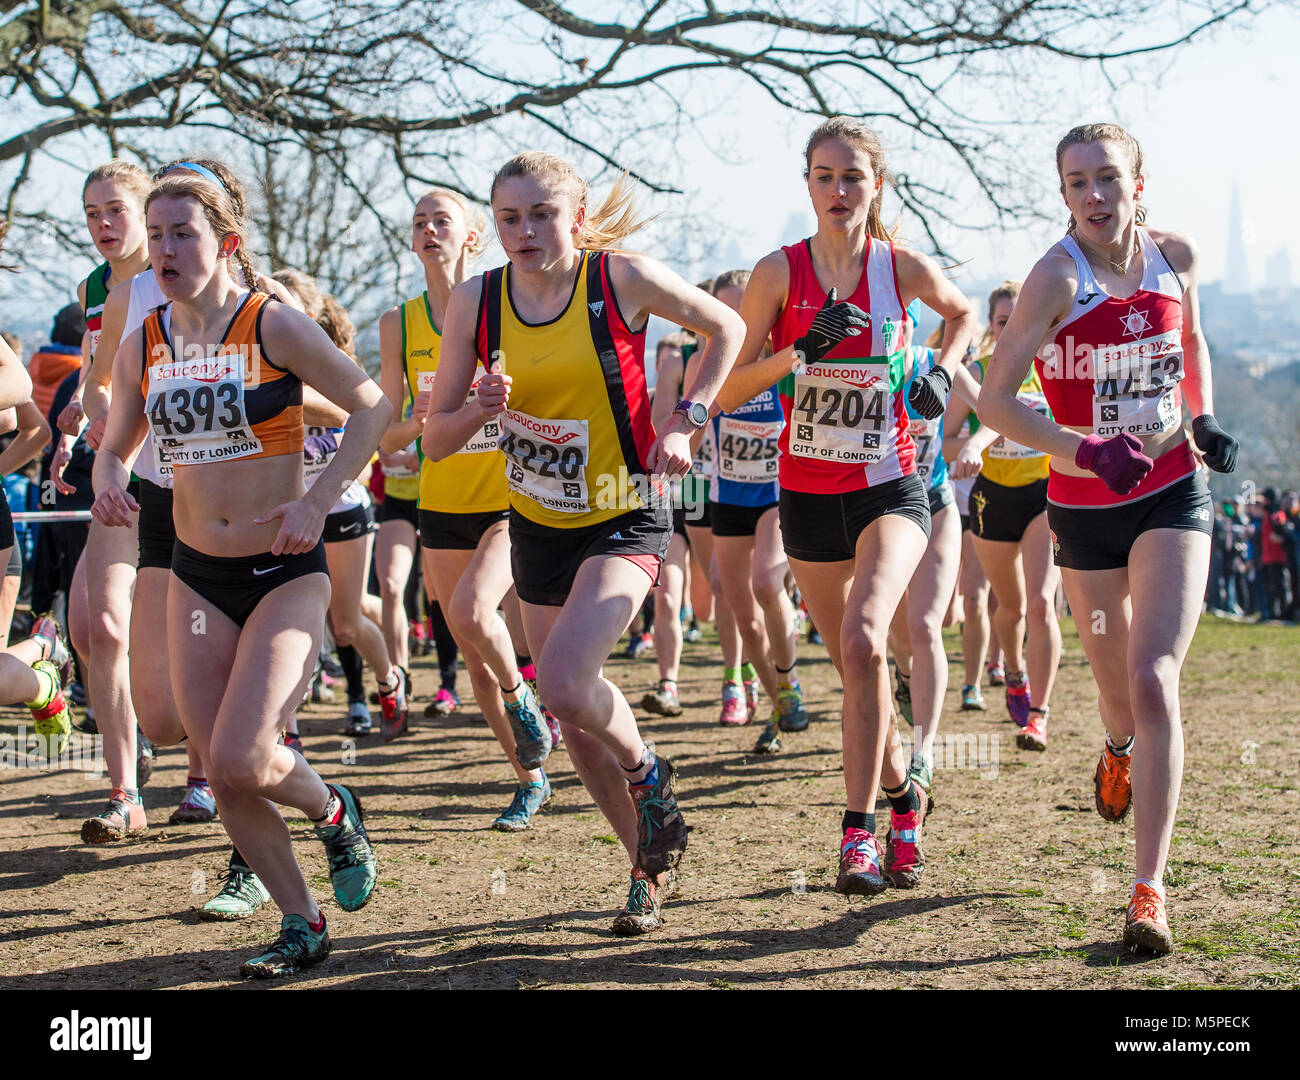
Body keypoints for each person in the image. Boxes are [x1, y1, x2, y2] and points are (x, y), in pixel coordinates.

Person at [424, 151, 743, 933]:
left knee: (565, 685)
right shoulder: (477, 300)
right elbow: (435, 439)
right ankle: (647, 865)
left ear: (576, 217)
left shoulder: (620, 280)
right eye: (508, 217)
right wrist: (479, 407)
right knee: (578, 733)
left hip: (623, 510)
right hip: (538, 522)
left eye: (540, 214)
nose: (524, 231)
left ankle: (651, 775)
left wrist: (688, 418)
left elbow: (725, 326)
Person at [92, 167, 389, 977]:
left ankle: (335, 809)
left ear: (225, 243)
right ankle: (304, 922)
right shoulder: (146, 341)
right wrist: (108, 478)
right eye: (155, 236)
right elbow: (113, 443)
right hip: (195, 575)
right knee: (219, 769)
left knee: (245, 753)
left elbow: (372, 407)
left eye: (181, 233)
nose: (164, 250)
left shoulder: (273, 325)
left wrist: (317, 501)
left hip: (284, 569)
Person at [977, 122, 1240, 955]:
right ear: (1064, 196)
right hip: (1086, 507)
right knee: (1118, 687)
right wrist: (1087, 450)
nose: (1094, 195)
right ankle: (1117, 745)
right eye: (1077, 183)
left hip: (1171, 490)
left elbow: (1188, 338)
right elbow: (993, 400)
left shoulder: (1177, 257)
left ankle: (1148, 892)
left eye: (1108, 180)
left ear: (1138, 183)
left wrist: (1201, 416)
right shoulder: (1054, 278)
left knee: (1156, 676)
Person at [718, 116, 974, 895]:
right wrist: (799, 355)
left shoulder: (903, 268)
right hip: (805, 494)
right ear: (807, 186)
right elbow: (726, 387)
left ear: (876, 186)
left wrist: (942, 369)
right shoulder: (777, 275)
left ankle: (857, 832)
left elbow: (962, 316)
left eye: (852, 176)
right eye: (824, 176)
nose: (838, 190)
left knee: (868, 637)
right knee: (855, 666)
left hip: (891, 486)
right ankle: (905, 798)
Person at [380, 186, 552, 828]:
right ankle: (530, 778)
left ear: (472, 235)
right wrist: (419, 420)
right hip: (441, 501)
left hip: (512, 495)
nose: (428, 229)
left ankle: (526, 700)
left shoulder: (503, 305)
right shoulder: (399, 323)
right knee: (473, 646)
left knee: (477, 612)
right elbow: (389, 431)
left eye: (441, 220)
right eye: (418, 221)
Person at [274, 268, 407, 739]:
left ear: (310, 315)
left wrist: (286, 393)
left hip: (342, 508)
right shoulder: (259, 360)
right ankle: (285, 730)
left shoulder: (336, 365)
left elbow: (360, 414)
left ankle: (390, 681)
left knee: (346, 624)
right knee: (286, 621)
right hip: (285, 512)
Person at [695, 270, 807, 753]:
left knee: (766, 580)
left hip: (779, 492)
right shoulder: (709, 362)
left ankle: (789, 680)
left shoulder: (787, 359)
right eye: (728, 312)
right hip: (727, 498)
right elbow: (690, 421)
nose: (741, 322)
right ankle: (779, 698)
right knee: (744, 617)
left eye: (748, 310)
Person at [888, 302, 982, 805]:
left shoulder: (934, 364)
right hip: (882, 513)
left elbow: (993, 407)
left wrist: (976, 444)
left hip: (936, 503)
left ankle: (922, 753)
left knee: (927, 625)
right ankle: (904, 676)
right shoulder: (856, 366)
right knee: (897, 633)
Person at [966, 281, 1063, 750]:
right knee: (1011, 609)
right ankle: (1015, 672)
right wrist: (968, 451)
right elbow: (943, 441)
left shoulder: (1053, 372)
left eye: (1018, 322)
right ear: (991, 325)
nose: (1010, 331)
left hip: (1044, 496)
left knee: (1042, 604)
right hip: (991, 500)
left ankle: (1039, 716)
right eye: (1002, 322)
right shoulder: (977, 372)